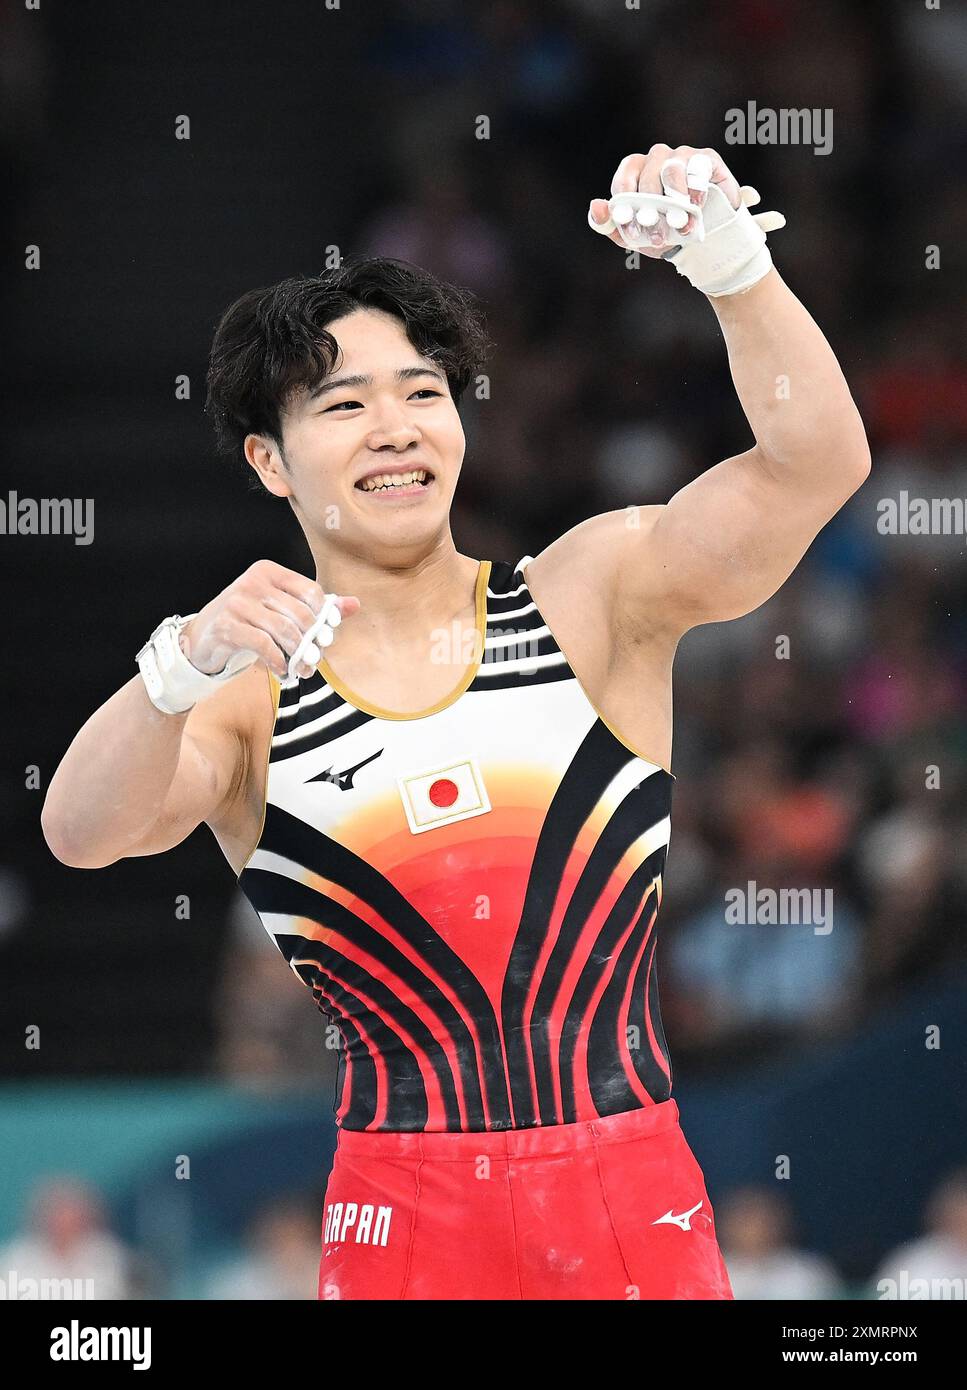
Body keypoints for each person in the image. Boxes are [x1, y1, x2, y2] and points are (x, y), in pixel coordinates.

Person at [42, 144, 871, 1300]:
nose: (396, 426)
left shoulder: (593, 596)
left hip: (628, 1188)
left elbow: (815, 461)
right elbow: (80, 832)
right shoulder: (246, 693)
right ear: (269, 464)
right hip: (406, 1216)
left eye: (422, 391)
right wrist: (171, 671)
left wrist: (730, 261)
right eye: (345, 404)